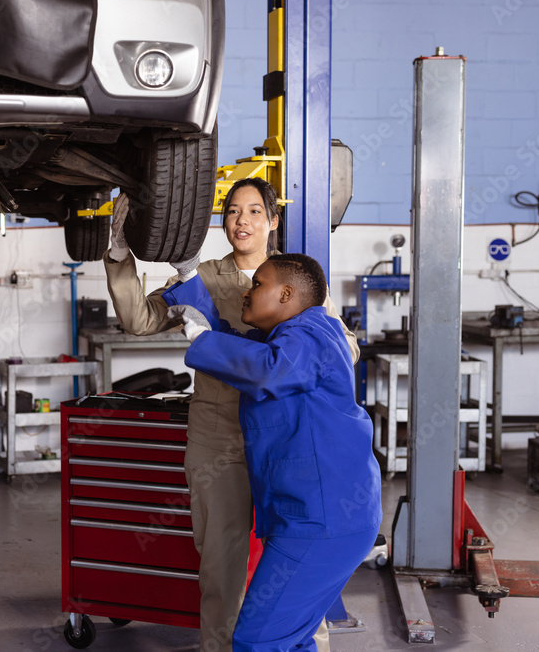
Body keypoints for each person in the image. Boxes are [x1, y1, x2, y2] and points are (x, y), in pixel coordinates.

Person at [103, 177, 359, 652]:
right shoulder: (202, 277)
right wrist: (120, 257)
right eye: (233, 212)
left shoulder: (295, 280)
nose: (242, 221)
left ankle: (308, 644)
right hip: (219, 440)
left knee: (293, 564)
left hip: (284, 446)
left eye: (254, 211)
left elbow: (341, 345)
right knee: (221, 566)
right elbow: (139, 319)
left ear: (273, 221)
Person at [162, 253, 382, 652]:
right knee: (291, 639)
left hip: (322, 521)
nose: (248, 290)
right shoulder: (285, 338)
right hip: (312, 517)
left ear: (286, 294)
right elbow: (229, 338)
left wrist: (202, 340)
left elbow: (269, 369)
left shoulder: (312, 332)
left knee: (257, 639)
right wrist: (189, 274)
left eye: (257, 284)